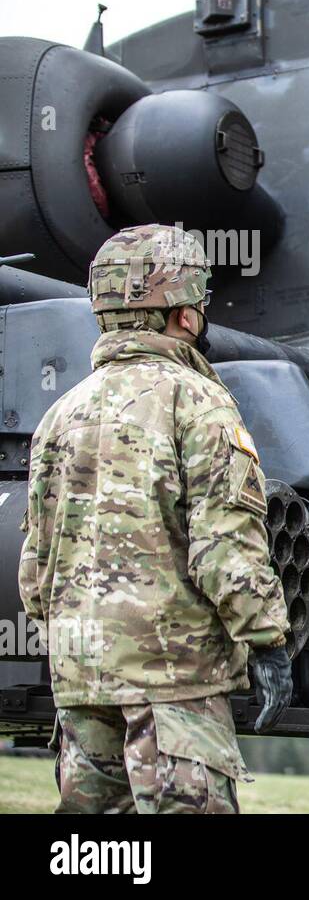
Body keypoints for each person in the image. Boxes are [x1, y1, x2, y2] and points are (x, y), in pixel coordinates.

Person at [18, 223, 293, 814]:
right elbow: (225, 549)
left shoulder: (60, 414)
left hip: (80, 684)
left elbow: (34, 575)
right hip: (174, 687)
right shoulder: (198, 401)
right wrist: (268, 642)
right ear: (185, 314)